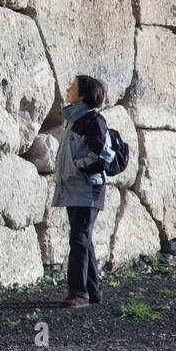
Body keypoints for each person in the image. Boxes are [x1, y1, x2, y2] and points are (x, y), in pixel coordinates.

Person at [51, 75, 115, 307]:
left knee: (78, 239)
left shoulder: (93, 121)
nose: (68, 89)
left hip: (87, 189)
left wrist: (81, 167)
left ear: (83, 95)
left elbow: (104, 153)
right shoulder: (76, 120)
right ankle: (93, 290)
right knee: (83, 240)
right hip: (76, 189)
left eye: (73, 87)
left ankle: (79, 293)